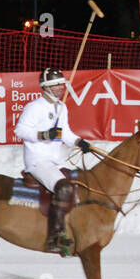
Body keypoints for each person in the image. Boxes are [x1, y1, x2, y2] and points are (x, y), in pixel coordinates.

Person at [14, 67, 93, 255]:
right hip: (38, 161)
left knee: (79, 183)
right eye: (55, 85)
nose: (60, 87)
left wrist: (79, 142)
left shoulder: (61, 107)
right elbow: (20, 131)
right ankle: (55, 237)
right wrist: (43, 134)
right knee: (64, 187)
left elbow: (65, 132)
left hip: (56, 160)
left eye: (61, 84)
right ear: (46, 87)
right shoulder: (34, 107)